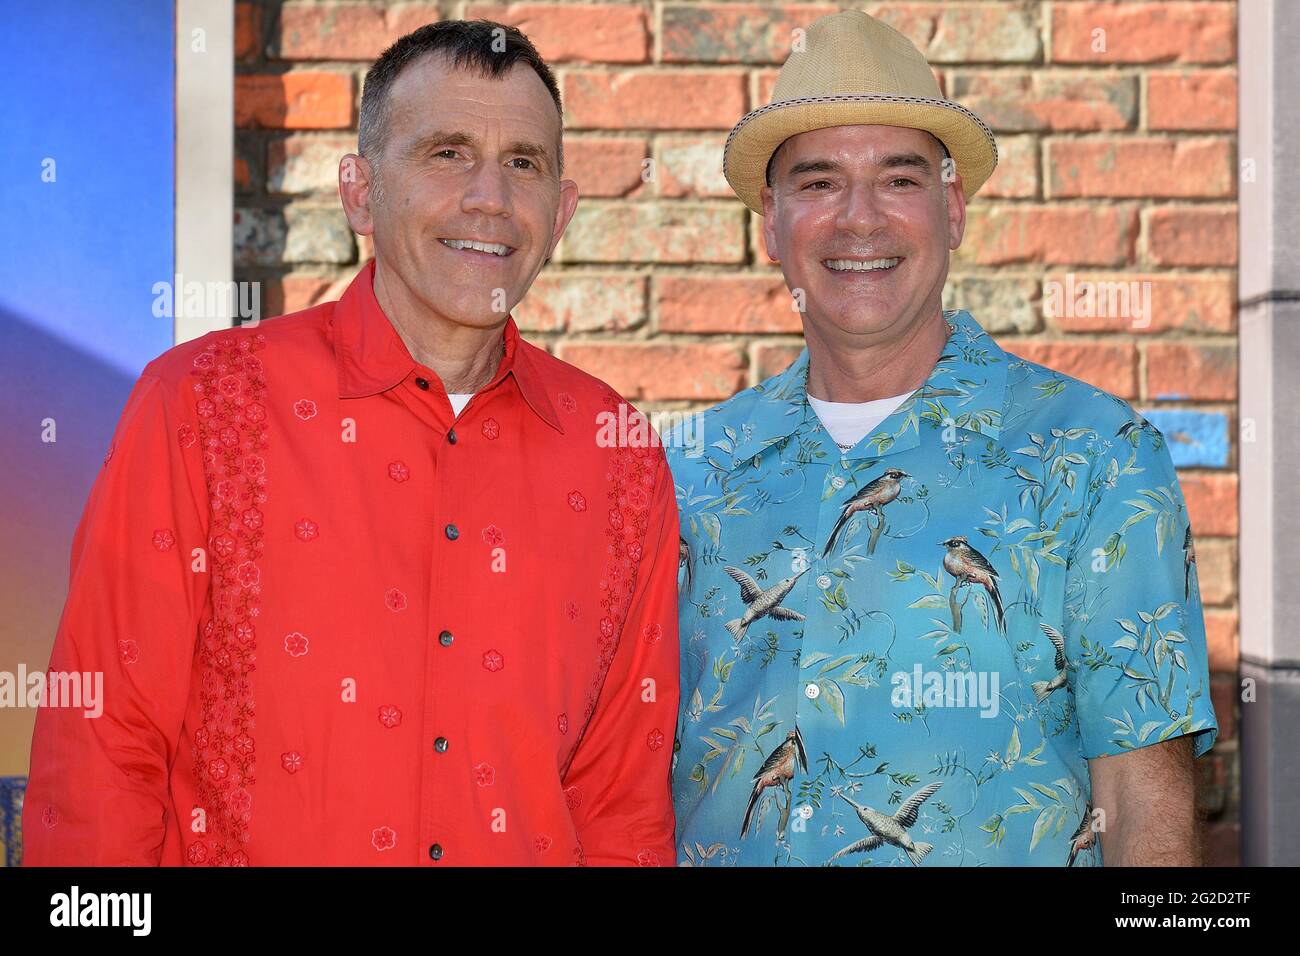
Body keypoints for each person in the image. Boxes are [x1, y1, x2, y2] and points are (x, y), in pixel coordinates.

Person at [24, 19, 679, 867]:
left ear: (562, 211)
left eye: (525, 162)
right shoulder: (203, 406)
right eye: (447, 152)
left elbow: (622, 805)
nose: (490, 196)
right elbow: (102, 751)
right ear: (360, 194)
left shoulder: (617, 454)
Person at [668, 10, 1216, 867]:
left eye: (899, 179)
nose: (859, 220)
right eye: (817, 183)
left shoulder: (1096, 459)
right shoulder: (687, 472)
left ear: (953, 210)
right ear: (769, 223)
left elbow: (1143, 804)